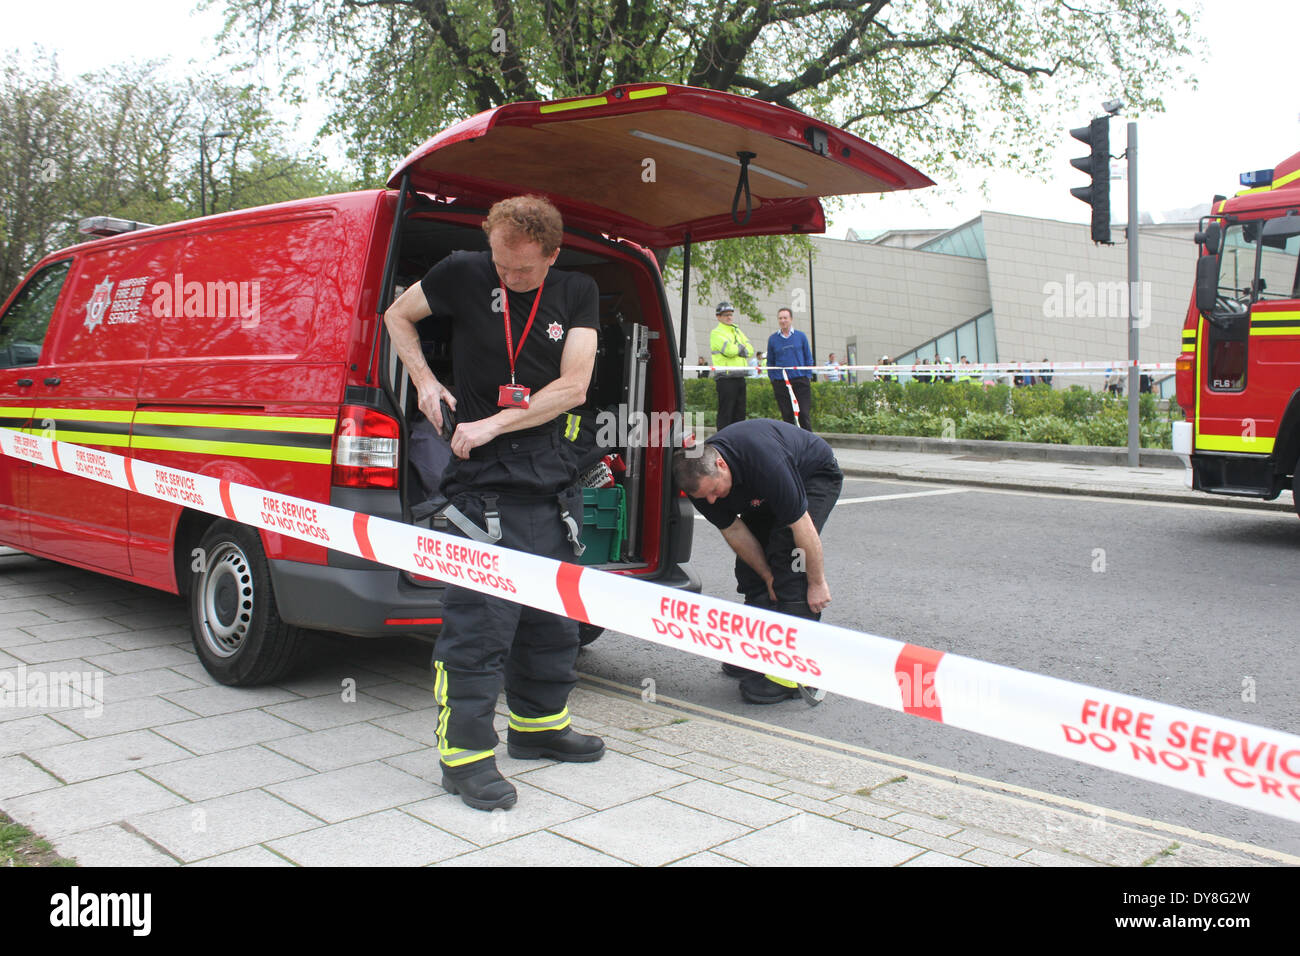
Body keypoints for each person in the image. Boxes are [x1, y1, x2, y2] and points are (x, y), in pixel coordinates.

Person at [384, 194, 604, 812]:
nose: (509, 280)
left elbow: (574, 386)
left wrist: (495, 422)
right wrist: (425, 382)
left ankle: (539, 729)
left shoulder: (576, 290)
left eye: (524, 272)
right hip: (481, 488)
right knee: (480, 627)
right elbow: (396, 316)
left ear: (552, 256)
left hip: (550, 480)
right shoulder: (461, 270)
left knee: (553, 619)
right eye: (501, 266)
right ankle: (466, 759)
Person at [672, 419, 843, 705]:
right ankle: (759, 649)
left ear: (722, 466)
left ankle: (792, 673)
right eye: (705, 497)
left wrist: (817, 582)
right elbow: (735, 531)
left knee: (788, 556)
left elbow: (802, 527)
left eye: (715, 491)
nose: (712, 501)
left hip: (812, 475)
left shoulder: (765, 462)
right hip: (759, 488)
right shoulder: (699, 483)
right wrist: (766, 576)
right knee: (750, 566)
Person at [766, 307, 814, 431]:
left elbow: (808, 357)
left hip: (800, 380)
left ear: (791, 319)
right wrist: (774, 379)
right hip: (781, 382)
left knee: (803, 414)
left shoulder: (801, 336)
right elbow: (770, 361)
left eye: (785, 318)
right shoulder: (773, 339)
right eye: (780, 318)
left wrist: (808, 375)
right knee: (787, 415)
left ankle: (808, 442)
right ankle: (791, 444)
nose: (783, 321)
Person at [710, 302, 752, 429]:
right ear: (718, 317)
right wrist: (740, 348)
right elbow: (729, 351)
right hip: (726, 378)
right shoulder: (716, 333)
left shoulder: (737, 330)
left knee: (740, 414)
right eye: (725, 315)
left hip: (740, 377)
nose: (729, 317)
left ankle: (737, 442)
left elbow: (750, 350)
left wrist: (738, 348)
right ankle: (722, 442)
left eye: (731, 315)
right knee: (726, 414)